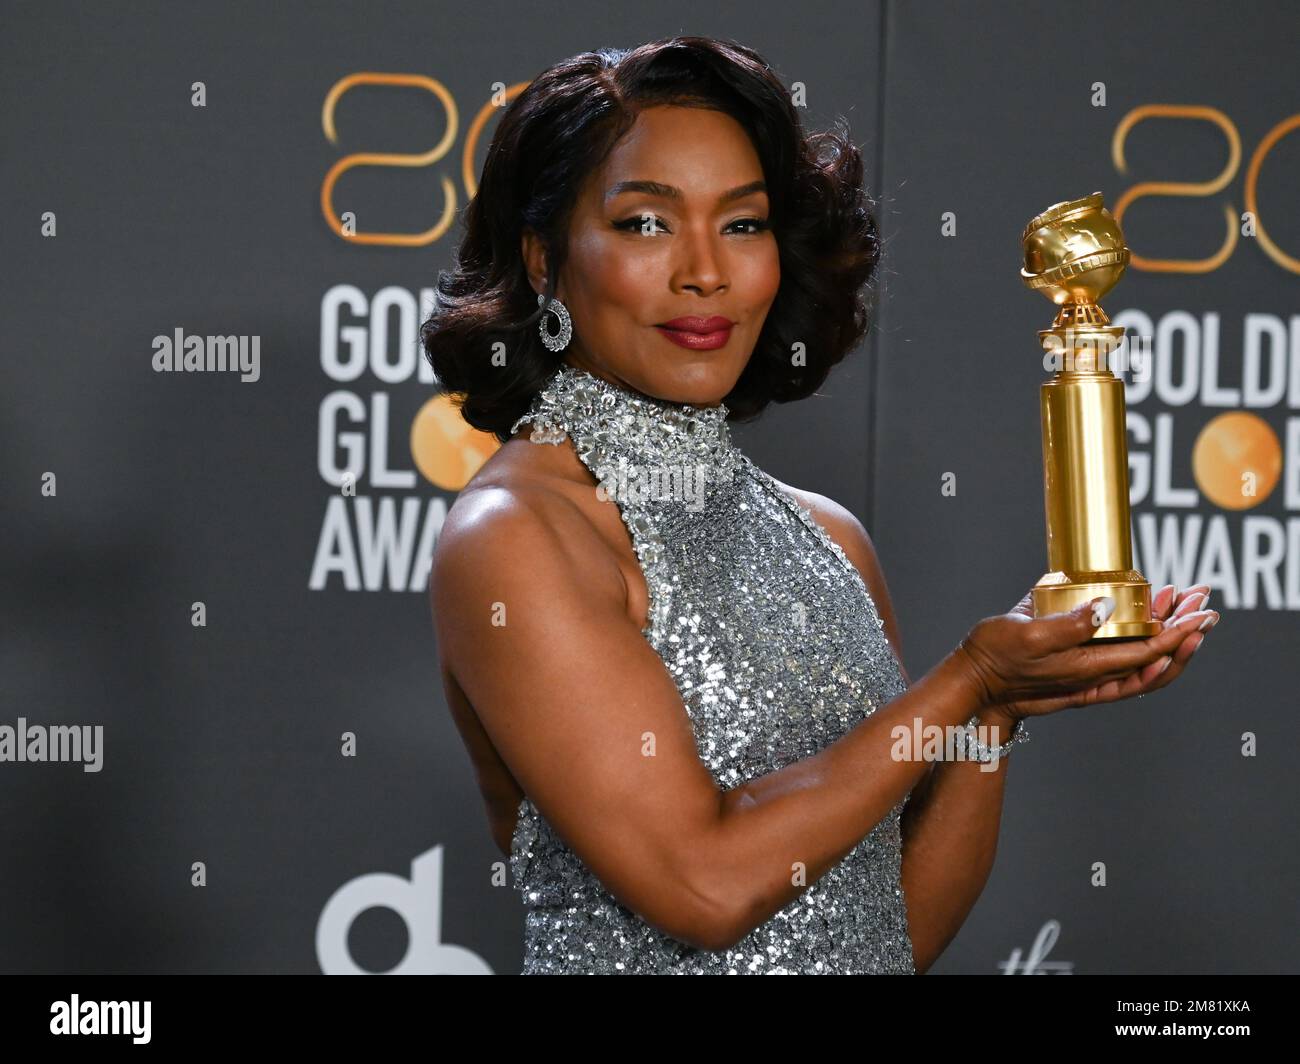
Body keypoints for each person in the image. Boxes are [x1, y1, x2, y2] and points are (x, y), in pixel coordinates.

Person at [420, 36, 1219, 974]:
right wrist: (968, 680)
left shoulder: (825, 533)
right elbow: (702, 888)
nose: (705, 271)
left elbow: (892, 935)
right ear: (544, 260)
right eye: (646, 224)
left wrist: (993, 716)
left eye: (743, 224)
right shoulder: (516, 534)